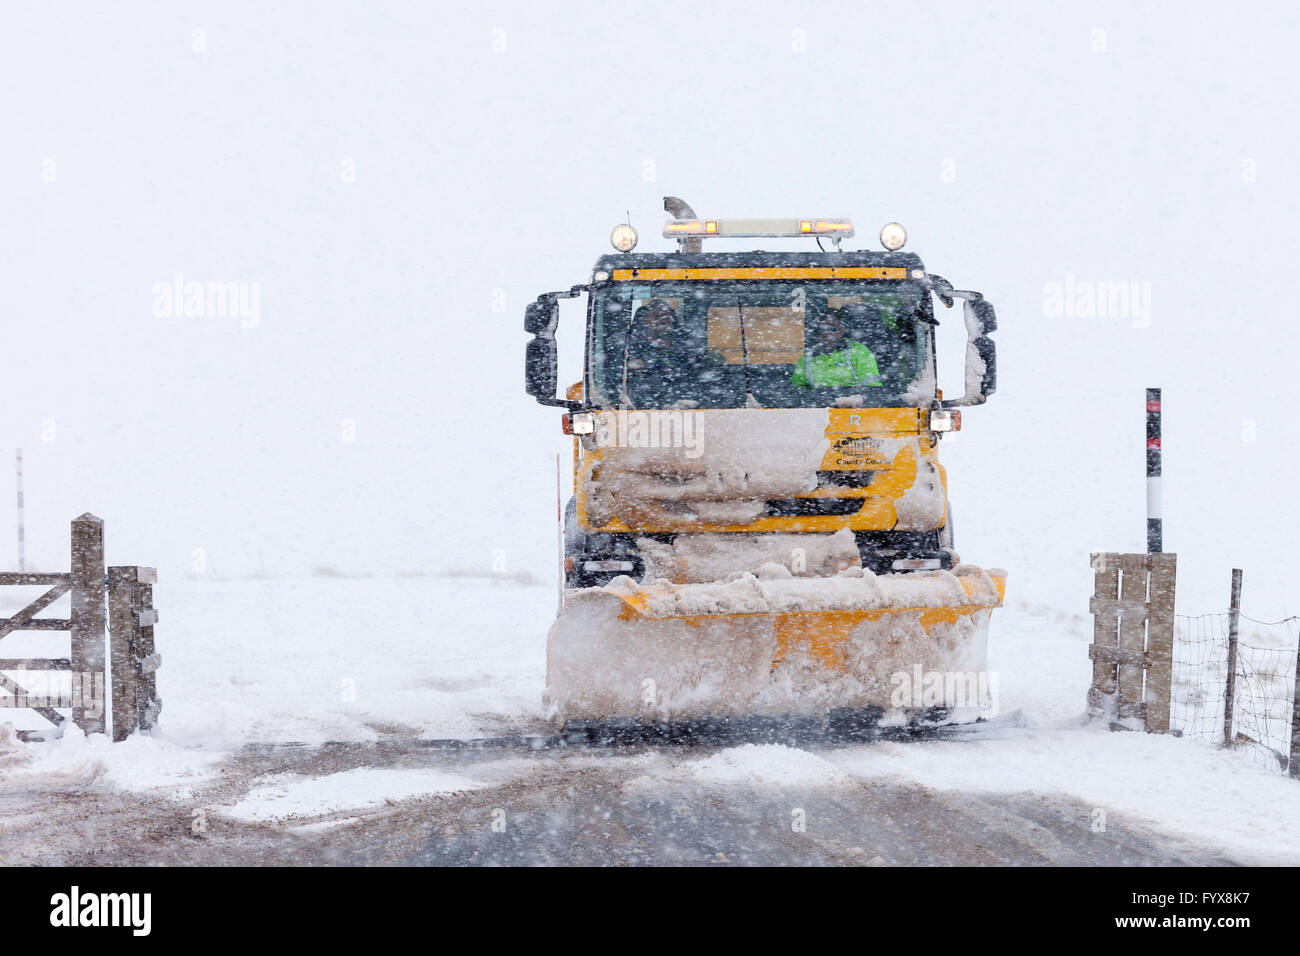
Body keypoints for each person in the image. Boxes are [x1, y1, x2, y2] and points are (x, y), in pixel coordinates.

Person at [790, 307, 883, 388]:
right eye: (821, 329)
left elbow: (872, 388)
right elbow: (798, 391)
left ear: (842, 330)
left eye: (832, 329)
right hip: (818, 407)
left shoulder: (859, 352)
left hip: (852, 407)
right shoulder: (808, 358)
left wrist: (852, 400)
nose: (826, 333)